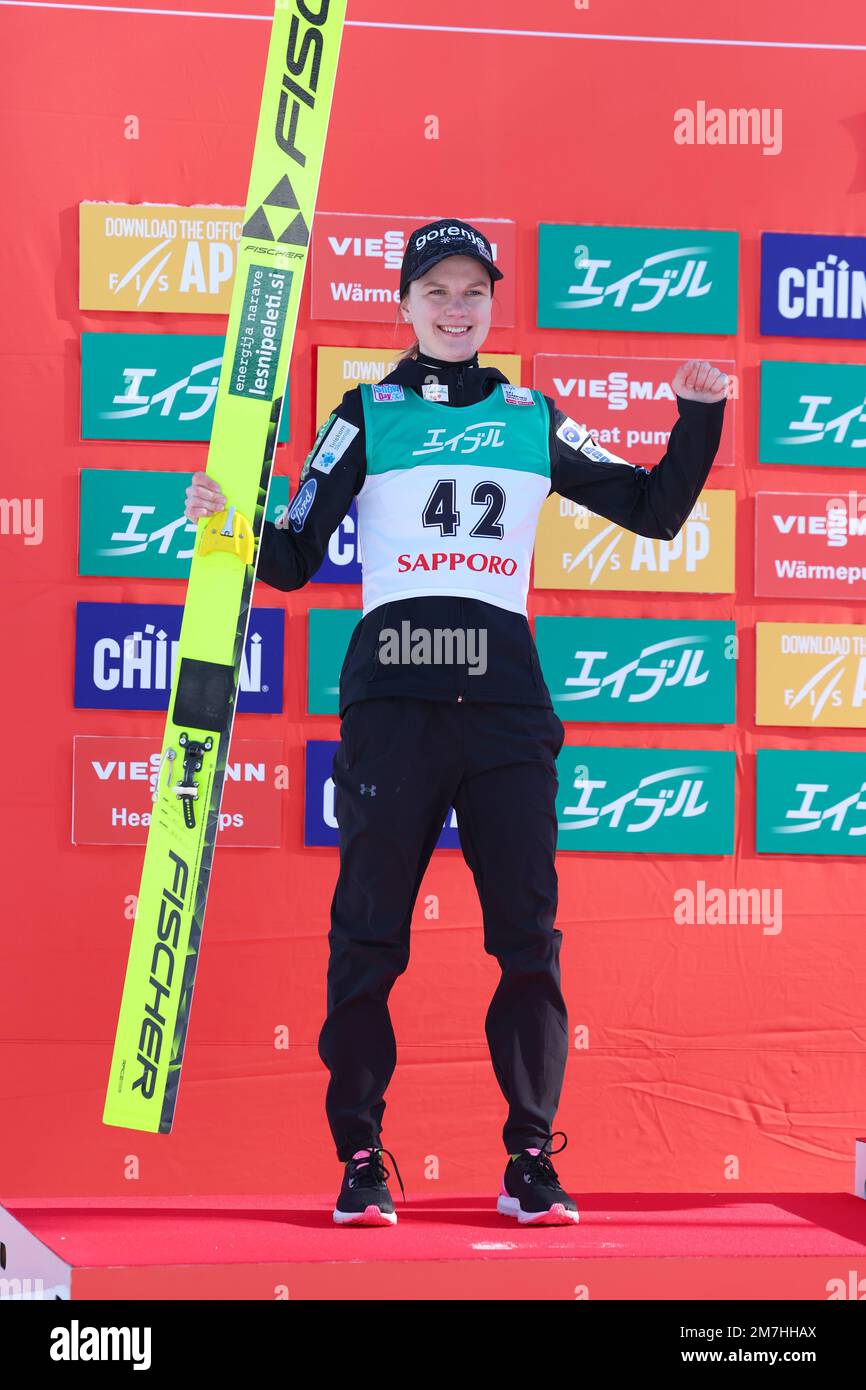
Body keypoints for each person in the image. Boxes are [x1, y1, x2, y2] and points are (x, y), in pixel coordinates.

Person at [185, 217, 728, 1227]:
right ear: (401, 304)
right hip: (394, 699)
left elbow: (652, 511)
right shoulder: (365, 411)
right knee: (367, 938)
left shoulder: (531, 412)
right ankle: (359, 1158)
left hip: (504, 704)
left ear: (490, 303)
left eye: (470, 290)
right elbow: (293, 554)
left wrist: (698, 417)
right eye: (432, 289)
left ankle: (530, 1159)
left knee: (527, 935)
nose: (452, 306)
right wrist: (225, 521)